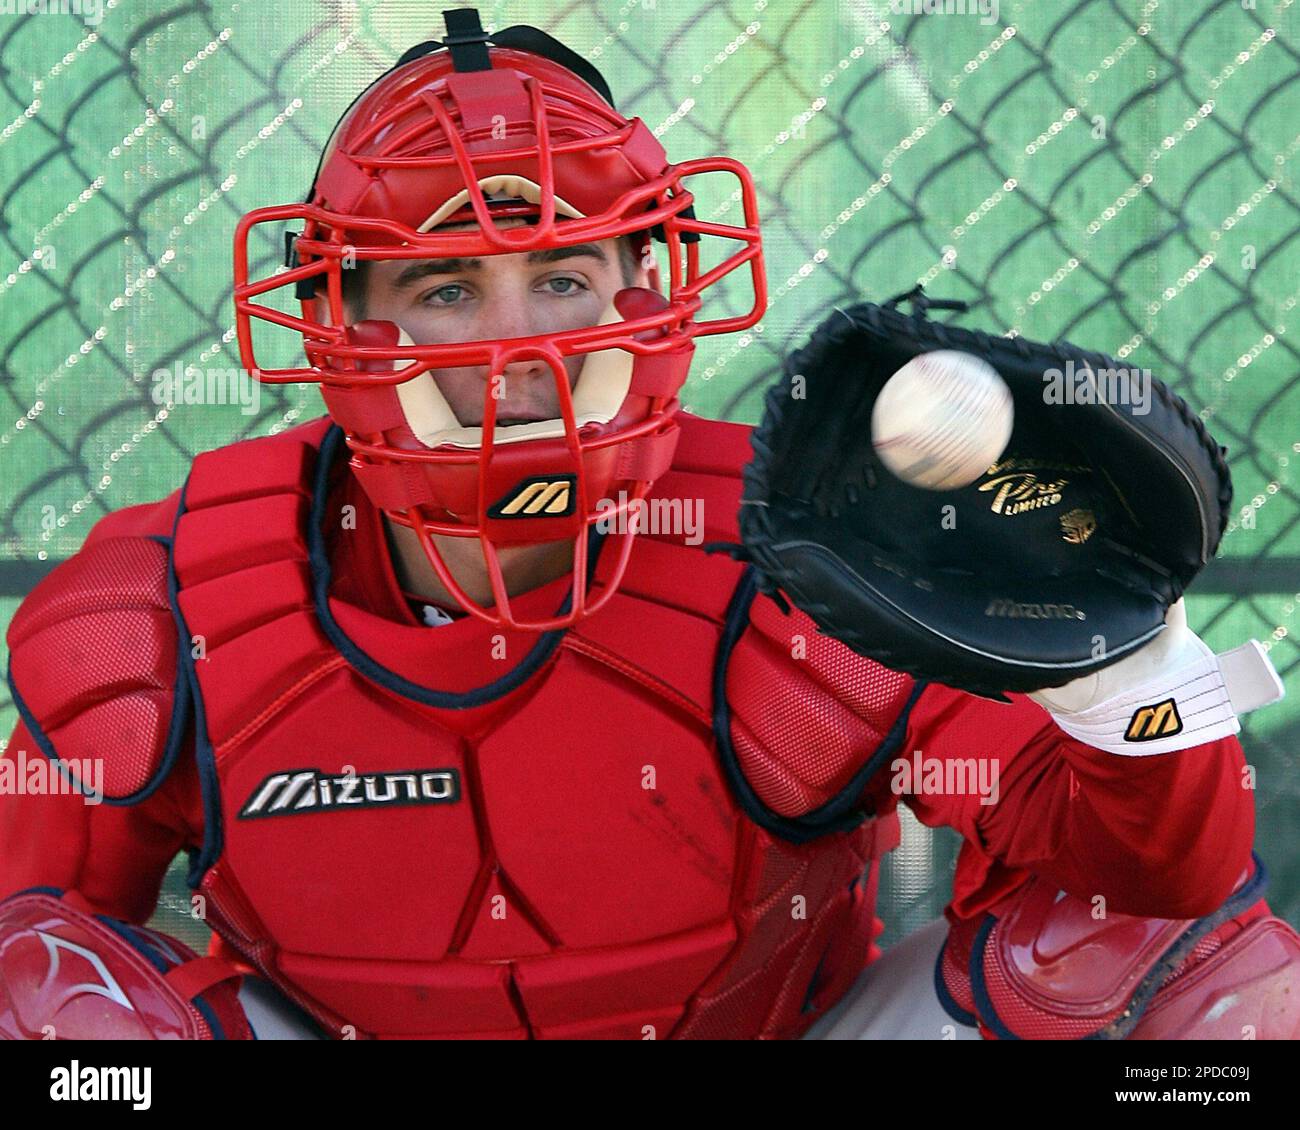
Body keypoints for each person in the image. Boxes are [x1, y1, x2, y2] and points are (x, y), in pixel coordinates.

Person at [0, 8, 1296, 1041]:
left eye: (562, 275)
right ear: (343, 319)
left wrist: (1134, 686)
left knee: (1167, 965)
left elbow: (1152, 882)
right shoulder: (181, 596)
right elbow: (34, 910)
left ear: (647, 291)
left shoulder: (805, 539)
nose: (519, 343)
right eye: (448, 285)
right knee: (40, 997)